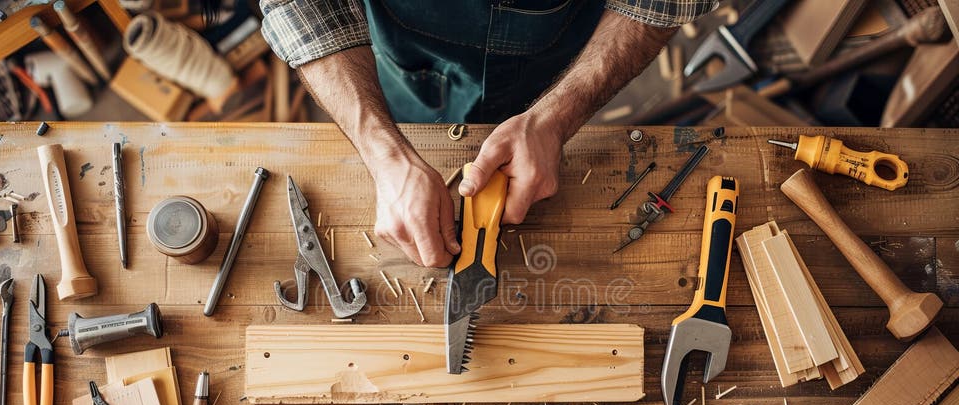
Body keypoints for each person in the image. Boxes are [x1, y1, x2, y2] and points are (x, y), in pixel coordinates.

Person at [260, 1, 715, 267]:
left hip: (558, 55)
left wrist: (555, 119)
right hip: (406, 64)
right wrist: (386, 156)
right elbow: (300, 7)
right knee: (406, 111)